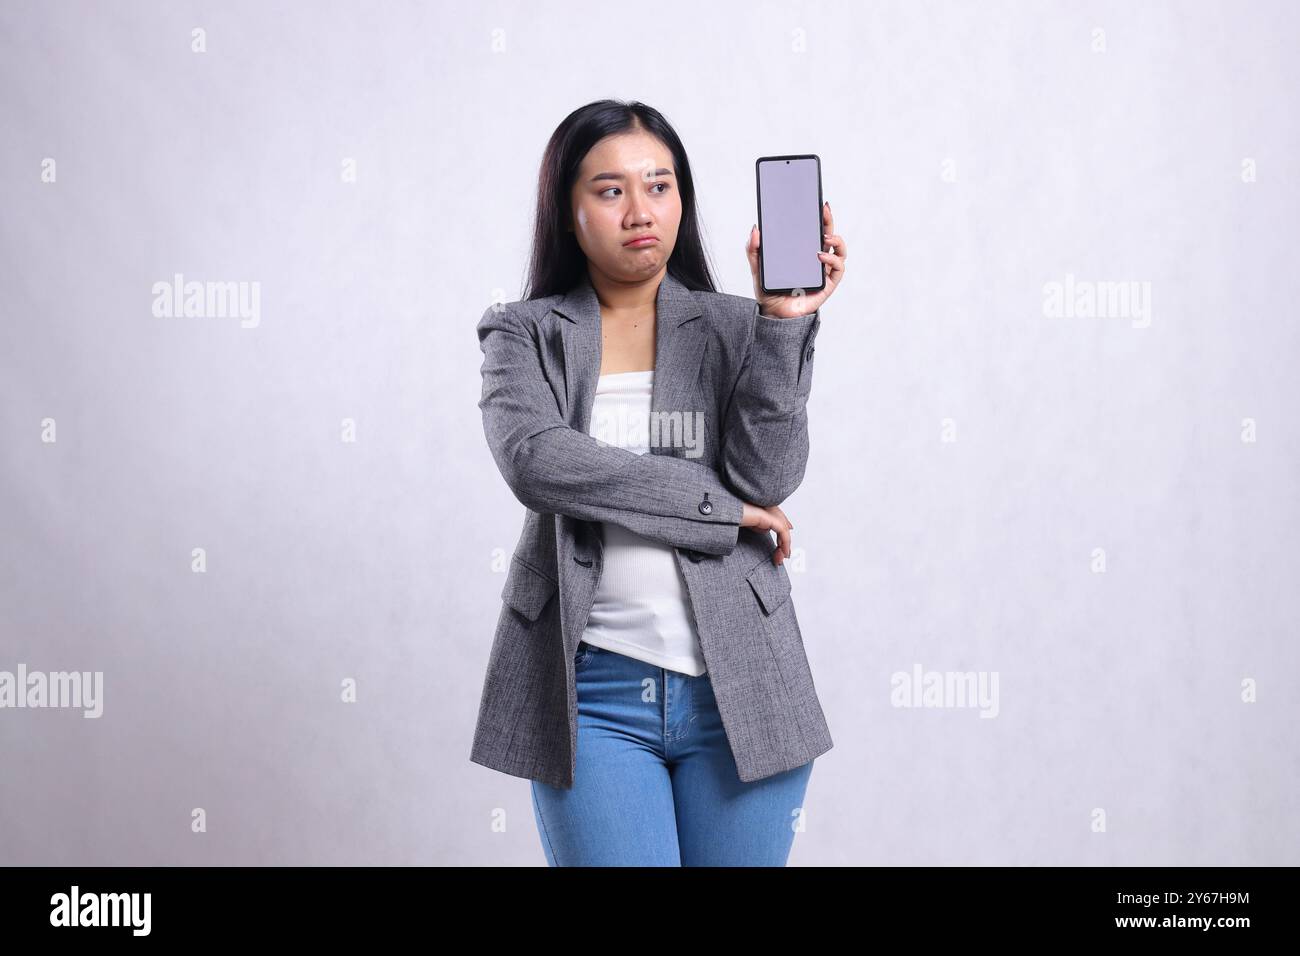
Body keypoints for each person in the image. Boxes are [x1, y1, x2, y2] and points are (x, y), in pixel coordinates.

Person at [472, 99, 847, 866]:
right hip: (591, 699)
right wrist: (720, 510)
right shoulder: (523, 332)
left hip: (742, 687)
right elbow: (539, 463)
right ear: (567, 209)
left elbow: (769, 478)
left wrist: (783, 319)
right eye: (610, 190)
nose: (640, 210)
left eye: (660, 184)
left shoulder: (737, 326)